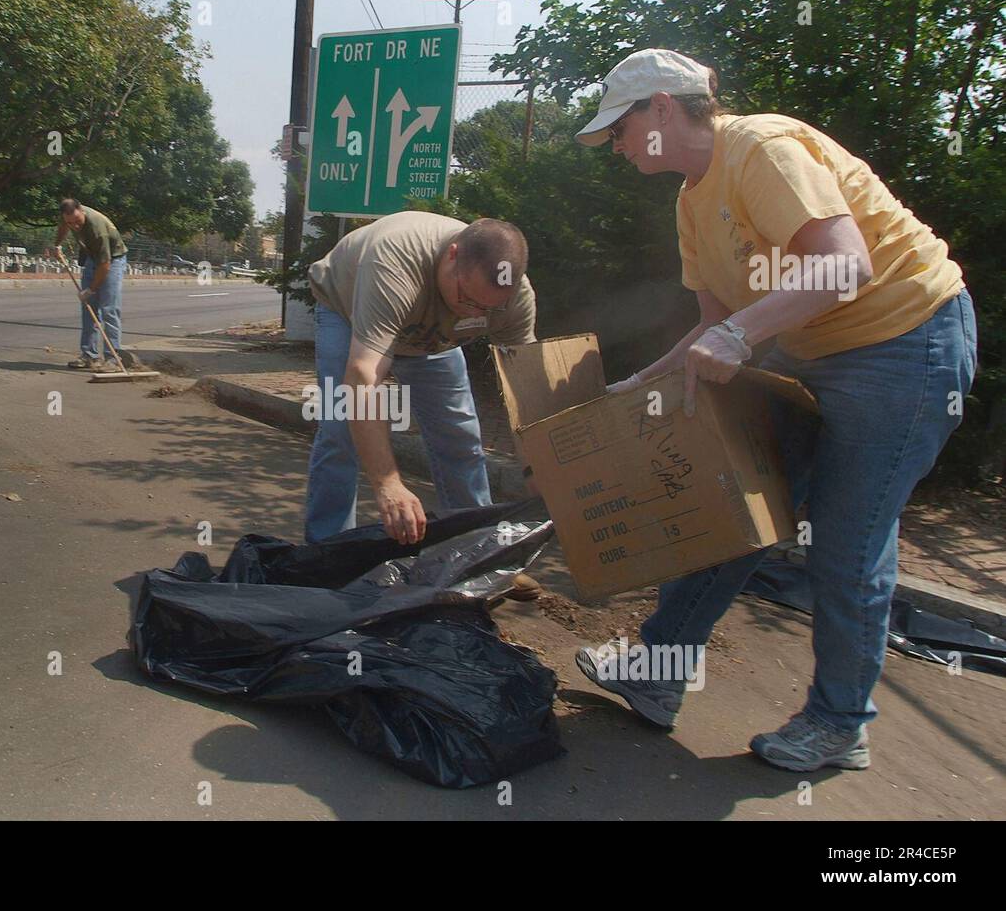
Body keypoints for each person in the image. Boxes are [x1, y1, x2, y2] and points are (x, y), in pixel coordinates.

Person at [572, 49, 977, 771]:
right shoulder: (692, 199)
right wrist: (637, 386)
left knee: (846, 542)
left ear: (662, 109)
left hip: (904, 343)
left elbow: (844, 264)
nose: (616, 145)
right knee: (736, 501)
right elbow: (712, 322)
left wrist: (739, 335)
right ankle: (658, 675)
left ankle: (839, 724)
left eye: (621, 129)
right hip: (807, 343)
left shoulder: (761, 146)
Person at [305, 211, 536, 545]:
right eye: (467, 298)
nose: (473, 314)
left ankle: (473, 548)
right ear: (452, 254)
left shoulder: (515, 297)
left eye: (489, 309)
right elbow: (363, 375)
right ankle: (327, 550)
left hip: (429, 338)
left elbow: (526, 388)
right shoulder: (396, 264)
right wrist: (387, 483)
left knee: (460, 437)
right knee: (340, 430)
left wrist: (536, 469)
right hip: (348, 312)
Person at [51, 199, 129, 371]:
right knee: (89, 309)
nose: (74, 226)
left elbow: (105, 265)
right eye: (70, 223)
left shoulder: (97, 229)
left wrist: (91, 289)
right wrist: (57, 245)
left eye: (77, 222)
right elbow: (63, 227)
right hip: (92, 257)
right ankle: (89, 355)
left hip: (113, 260)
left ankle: (113, 358)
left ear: (82, 212)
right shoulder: (68, 217)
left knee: (109, 308)